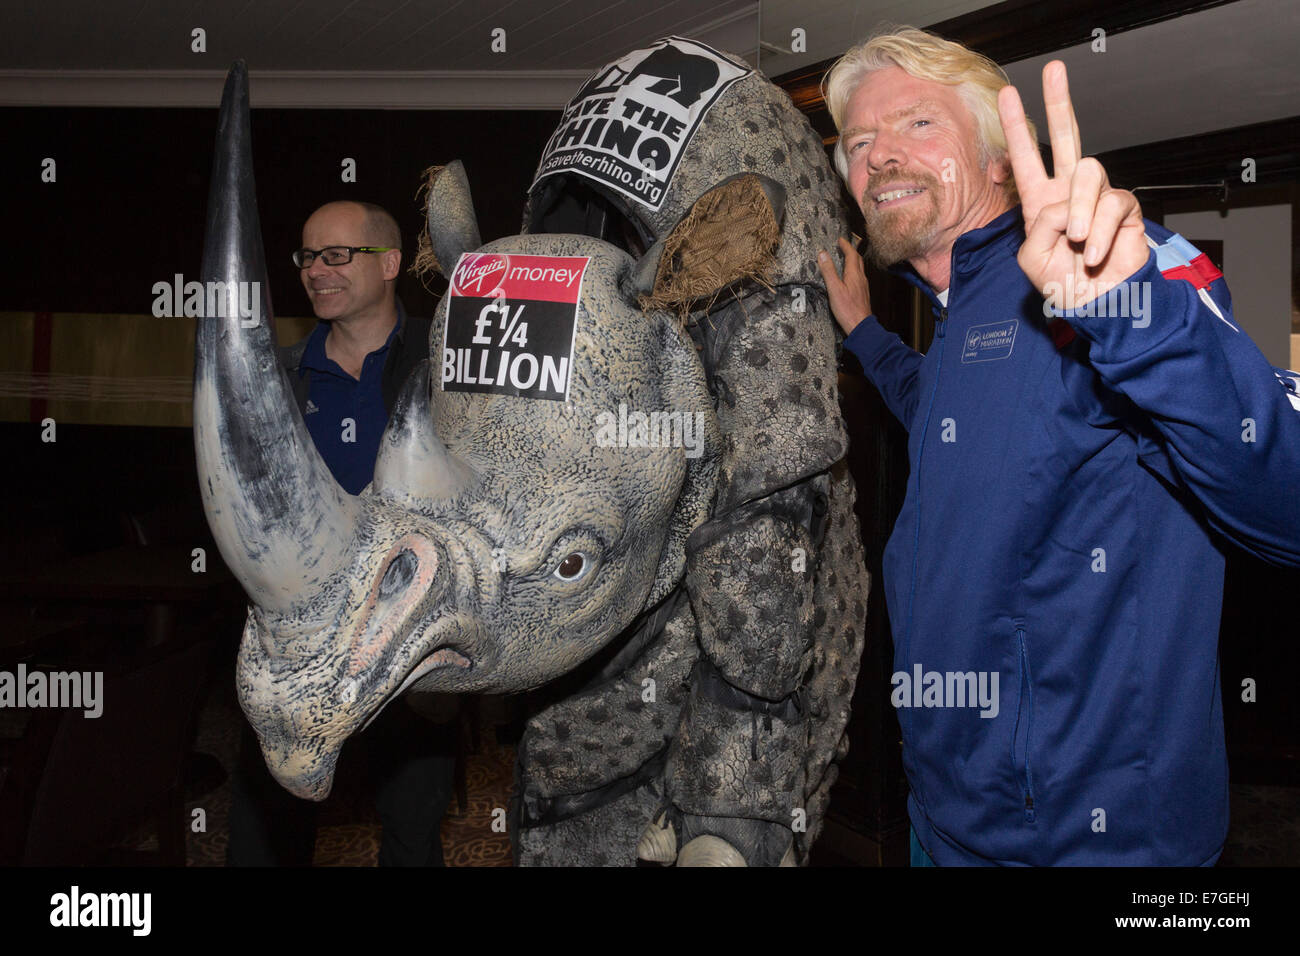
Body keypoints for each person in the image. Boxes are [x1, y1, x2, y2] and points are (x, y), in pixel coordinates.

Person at [816, 27, 1300, 865]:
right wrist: (863, 331)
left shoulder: (1116, 269)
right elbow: (940, 402)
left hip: (1093, 843)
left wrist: (1130, 316)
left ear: (1002, 161)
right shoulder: (962, 310)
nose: (880, 156)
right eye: (860, 143)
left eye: (917, 125)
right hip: (943, 818)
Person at [227, 200, 457, 866]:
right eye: (307, 256)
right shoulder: (278, 377)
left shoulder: (445, 364)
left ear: (389, 264)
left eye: (337, 255)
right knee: (264, 833)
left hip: (410, 639)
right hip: (297, 641)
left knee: (412, 828)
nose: (316, 271)